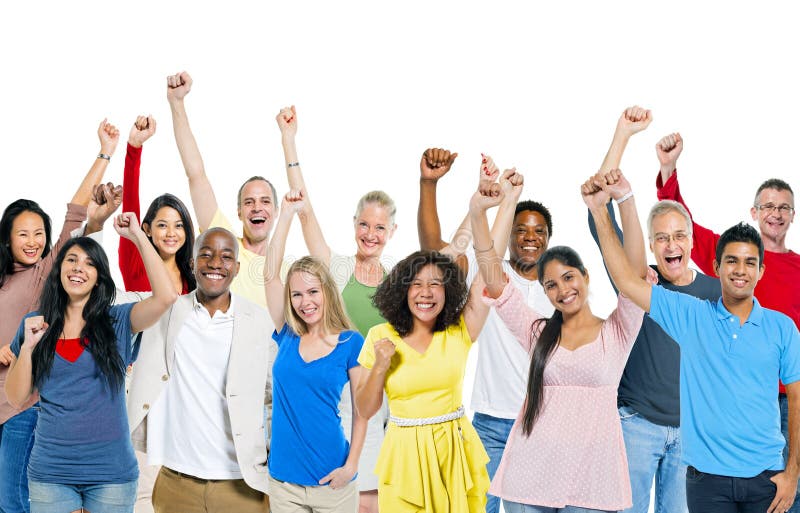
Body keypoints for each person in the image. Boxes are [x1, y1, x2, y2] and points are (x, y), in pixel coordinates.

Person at [588, 172, 800, 513]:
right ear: (716, 265)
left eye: (749, 263)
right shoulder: (690, 312)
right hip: (689, 463)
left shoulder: (777, 326)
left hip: (753, 470)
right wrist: (601, 210)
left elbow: (793, 397)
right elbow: (627, 278)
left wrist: (792, 474)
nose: (740, 270)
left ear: (762, 270)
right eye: (731, 261)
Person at [475, 165, 647, 512]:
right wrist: (478, 211)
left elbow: (636, 274)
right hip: (531, 476)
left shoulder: (617, 330)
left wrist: (622, 202)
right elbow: (492, 276)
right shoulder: (538, 332)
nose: (562, 289)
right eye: (551, 284)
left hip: (592, 481)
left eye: (569, 278)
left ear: (585, 276)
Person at [355, 159, 518, 512]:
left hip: (453, 452)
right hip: (403, 459)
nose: (426, 292)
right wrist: (381, 366)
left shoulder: (458, 330)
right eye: (416, 284)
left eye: (435, 284)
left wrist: (508, 203)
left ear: (448, 291)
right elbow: (365, 410)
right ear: (402, 291)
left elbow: (489, 272)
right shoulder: (380, 336)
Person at [655, 134, 800, 511]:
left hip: (784, 400)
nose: (777, 213)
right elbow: (684, 230)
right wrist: (669, 170)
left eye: (785, 207)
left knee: (788, 493)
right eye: (768, 205)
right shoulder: (733, 251)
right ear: (754, 212)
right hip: (727, 401)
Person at [588, 107, 720, 513]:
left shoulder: (716, 292)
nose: (670, 245)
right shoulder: (638, 284)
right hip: (636, 425)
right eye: (660, 238)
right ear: (650, 245)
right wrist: (623, 135)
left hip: (691, 437)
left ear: (691, 240)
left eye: (679, 236)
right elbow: (599, 215)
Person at [5, 211, 177, 513]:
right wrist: (29, 347)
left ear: (99, 278)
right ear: (59, 269)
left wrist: (138, 235)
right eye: (71, 260)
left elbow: (165, 297)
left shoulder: (118, 320)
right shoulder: (34, 325)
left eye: (89, 263)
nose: (78, 268)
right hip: (51, 474)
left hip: (112, 475)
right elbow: (17, 397)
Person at [418, 147, 554, 513]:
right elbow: (440, 252)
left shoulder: (558, 287)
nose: (529, 237)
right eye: (520, 230)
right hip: (491, 424)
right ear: (507, 236)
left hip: (539, 423)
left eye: (538, 231)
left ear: (547, 239)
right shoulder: (494, 277)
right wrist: (496, 201)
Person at [276, 105, 394, 512]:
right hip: (331, 395)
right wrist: (289, 141)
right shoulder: (336, 269)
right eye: (364, 224)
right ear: (354, 225)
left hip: (376, 401)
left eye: (380, 227)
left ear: (391, 232)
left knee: (371, 501)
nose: (371, 234)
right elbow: (304, 211)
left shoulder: (398, 284)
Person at [0, 119, 120, 513]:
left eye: (39, 234)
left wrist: (104, 152)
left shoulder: (47, 271)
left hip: (23, 409)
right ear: (7, 239)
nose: (33, 242)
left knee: (14, 502)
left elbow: (75, 213)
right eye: (23, 234)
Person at [127, 227, 272, 513]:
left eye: (226, 256)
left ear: (238, 268)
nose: (216, 263)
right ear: (192, 263)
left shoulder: (258, 320)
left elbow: (272, 394)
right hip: (177, 479)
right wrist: (133, 233)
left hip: (241, 483)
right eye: (205, 254)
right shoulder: (166, 313)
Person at [263, 189, 368, 512]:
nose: (305, 302)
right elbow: (270, 273)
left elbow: (363, 410)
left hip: (332, 483)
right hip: (284, 485)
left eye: (312, 291)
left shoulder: (351, 343)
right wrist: (286, 215)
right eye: (296, 295)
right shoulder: (287, 334)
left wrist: (351, 466)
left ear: (326, 292)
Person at [167, 70, 278, 308]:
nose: (257, 207)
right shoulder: (224, 245)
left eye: (265, 201)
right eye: (249, 202)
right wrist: (177, 103)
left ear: (276, 211)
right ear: (239, 212)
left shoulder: (285, 270)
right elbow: (196, 176)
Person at [121, 114, 196, 295]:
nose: (171, 233)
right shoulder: (137, 264)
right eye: (162, 225)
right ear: (146, 229)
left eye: (178, 226)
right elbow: (130, 201)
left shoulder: (192, 276)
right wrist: (134, 147)